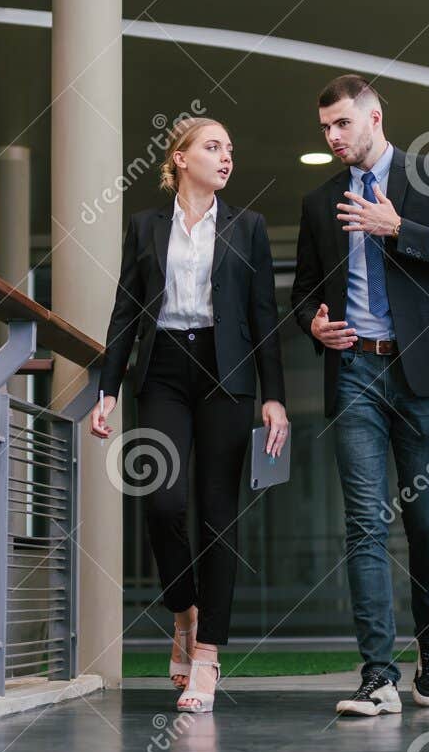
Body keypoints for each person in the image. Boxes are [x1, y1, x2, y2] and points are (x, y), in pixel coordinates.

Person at [291, 75, 429, 716]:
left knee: (427, 525)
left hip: (420, 376)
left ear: (375, 118)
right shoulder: (320, 202)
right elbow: (300, 294)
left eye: (342, 124)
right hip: (354, 372)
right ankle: (377, 676)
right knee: (363, 523)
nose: (332, 136)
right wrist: (314, 325)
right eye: (325, 128)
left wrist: (398, 226)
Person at [90, 116, 289, 713]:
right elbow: (126, 310)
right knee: (163, 501)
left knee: (218, 516)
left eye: (230, 148)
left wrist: (274, 394)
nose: (226, 157)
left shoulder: (248, 227)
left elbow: (263, 315)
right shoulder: (146, 227)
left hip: (228, 374)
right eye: (212, 146)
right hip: (164, 372)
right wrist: (108, 388)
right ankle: (183, 610)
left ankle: (207, 654)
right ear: (180, 158)